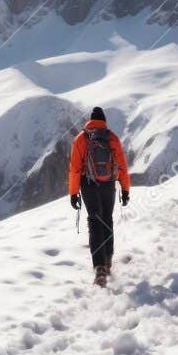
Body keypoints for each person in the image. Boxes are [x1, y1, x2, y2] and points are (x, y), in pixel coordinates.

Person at [68, 106, 131, 287]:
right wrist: (125, 189)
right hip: (108, 184)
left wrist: (73, 193)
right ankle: (108, 260)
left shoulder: (81, 139)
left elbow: (75, 169)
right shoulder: (111, 137)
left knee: (94, 221)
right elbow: (122, 166)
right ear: (104, 120)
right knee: (107, 220)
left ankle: (99, 268)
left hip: (88, 185)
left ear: (90, 120)